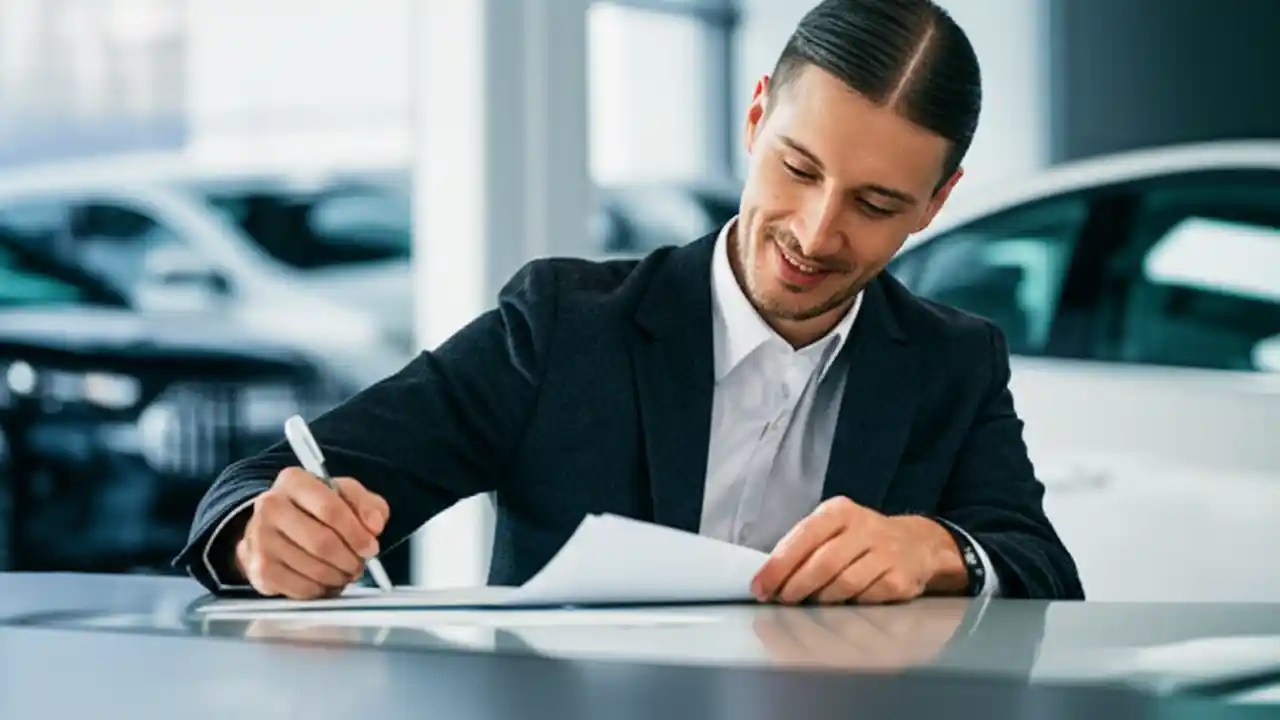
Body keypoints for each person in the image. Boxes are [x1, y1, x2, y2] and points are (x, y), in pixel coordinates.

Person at [177, 0, 1084, 604]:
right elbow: (264, 484)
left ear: (937, 201)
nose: (814, 231)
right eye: (798, 169)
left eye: (876, 205)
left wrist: (939, 549)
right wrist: (263, 535)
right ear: (756, 116)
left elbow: (1039, 567)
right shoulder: (566, 326)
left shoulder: (952, 362)